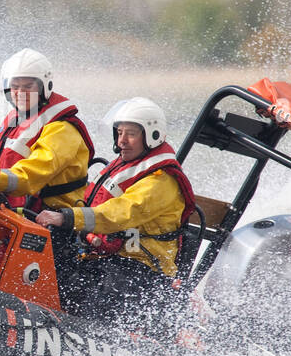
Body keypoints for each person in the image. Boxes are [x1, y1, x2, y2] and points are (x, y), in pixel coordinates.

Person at [36, 97, 196, 326]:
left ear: (152, 135)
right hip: (109, 259)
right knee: (54, 264)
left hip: (142, 271)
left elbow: (121, 212)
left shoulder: (162, 182)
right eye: (119, 133)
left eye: (131, 133)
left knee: (96, 297)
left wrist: (67, 217)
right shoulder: (127, 167)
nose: (122, 141)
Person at [0, 48, 94, 281]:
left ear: (44, 87)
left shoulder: (62, 128)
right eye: (15, 86)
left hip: (50, 225)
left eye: (28, 86)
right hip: (10, 212)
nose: (20, 93)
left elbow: (31, 176)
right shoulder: (14, 120)